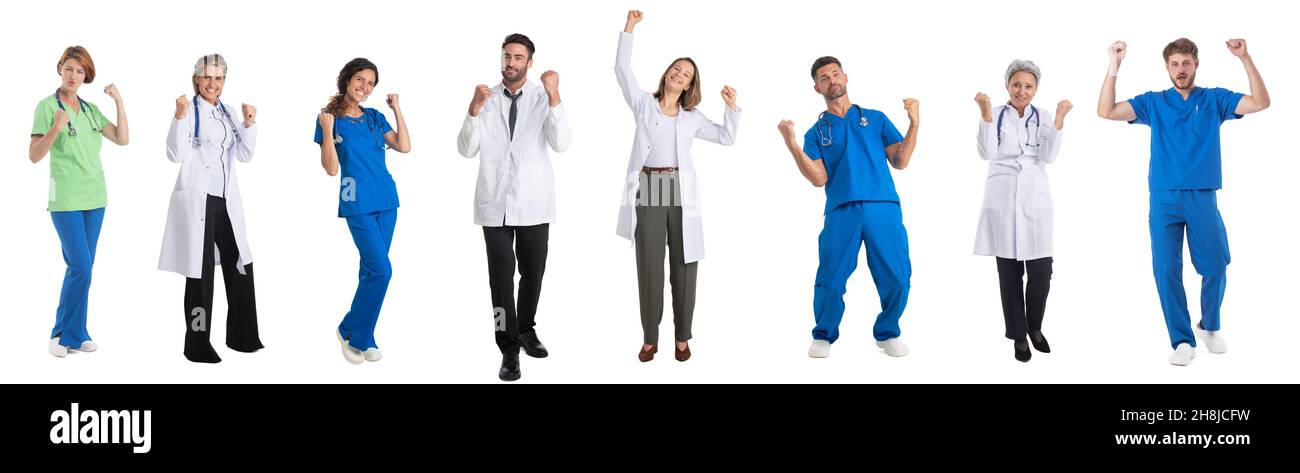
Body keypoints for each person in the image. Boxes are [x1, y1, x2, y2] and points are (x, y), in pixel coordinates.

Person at [1096, 38, 1269, 366]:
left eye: (1185, 63)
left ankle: (1209, 325)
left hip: (1202, 194)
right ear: (1167, 67)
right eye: (1174, 64)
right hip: (1163, 196)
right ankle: (1181, 340)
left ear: (1196, 64)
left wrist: (1245, 57)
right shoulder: (1154, 102)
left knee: (1216, 264)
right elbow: (1106, 111)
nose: (1180, 70)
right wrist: (1114, 66)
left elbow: (1261, 102)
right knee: (1166, 269)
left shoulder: (1215, 99)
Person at [615, 10, 740, 363]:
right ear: (667, 74)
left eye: (685, 74)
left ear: (688, 85)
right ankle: (650, 336)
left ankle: (683, 336)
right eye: (676, 68)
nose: (678, 74)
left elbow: (727, 137)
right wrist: (629, 28)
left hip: (681, 190)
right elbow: (622, 71)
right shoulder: (643, 104)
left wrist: (731, 108)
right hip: (650, 187)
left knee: (685, 265)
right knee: (649, 264)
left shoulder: (692, 118)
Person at [776, 56, 918, 359]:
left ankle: (888, 331)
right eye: (824, 78)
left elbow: (901, 160)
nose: (832, 80)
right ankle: (824, 334)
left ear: (846, 77)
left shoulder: (875, 118)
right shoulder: (817, 132)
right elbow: (818, 178)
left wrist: (914, 123)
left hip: (883, 205)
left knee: (897, 274)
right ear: (817, 87)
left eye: (835, 74)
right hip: (842, 209)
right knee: (831, 275)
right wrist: (792, 145)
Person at [457, 33, 571, 382]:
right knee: (500, 279)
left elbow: (562, 142)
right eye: (507, 56)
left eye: (518, 57)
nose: (511, 63)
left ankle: (526, 328)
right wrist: (473, 109)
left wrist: (554, 95)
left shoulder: (542, 97)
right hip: (495, 205)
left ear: (529, 62)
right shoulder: (485, 98)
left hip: (534, 203)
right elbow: (465, 149)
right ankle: (507, 346)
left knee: (533, 274)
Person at [160, 53, 264, 363]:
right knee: (200, 274)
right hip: (199, 199)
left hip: (226, 200)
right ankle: (197, 344)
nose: (212, 83)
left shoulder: (230, 113)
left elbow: (244, 155)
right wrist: (178, 116)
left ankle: (243, 337)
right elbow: (174, 153)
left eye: (218, 78)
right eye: (207, 77)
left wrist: (249, 124)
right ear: (196, 79)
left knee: (241, 265)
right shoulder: (188, 111)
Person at [29, 45, 129, 358]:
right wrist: (56, 128)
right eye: (69, 68)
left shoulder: (90, 110)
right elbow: (33, 156)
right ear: (60, 67)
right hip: (66, 199)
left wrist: (119, 102)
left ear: (86, 76)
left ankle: (77, 332)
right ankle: (61, 335)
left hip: (95, 197)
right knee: (80, 266)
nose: (73, 76)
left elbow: (122, 139)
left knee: (85, 269)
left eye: (80, 71)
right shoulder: (46, 107)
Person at [973, 60, 1072, 362]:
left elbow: (1049, 156)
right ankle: (1018, 335)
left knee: (1041, 272)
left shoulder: (1042, 117)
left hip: (1035, 196)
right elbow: (987, 153)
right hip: (1002, 197)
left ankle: (1035, 326)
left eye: (1028, 85)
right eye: (1016, 84)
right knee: (1009, 274)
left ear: (1035, 89)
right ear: (1008, 86)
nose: (1022, 90)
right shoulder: (996, 116)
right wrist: (986, 116)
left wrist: (1058, 120)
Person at [315, 58, 412, 364]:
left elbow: (404, 146)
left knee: (372, 270)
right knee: (382, 270)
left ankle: (357, 332)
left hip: (386, 200)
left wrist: (397, 108)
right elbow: (331, 169)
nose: (365, 87)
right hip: (355, 200)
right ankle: (355, 333)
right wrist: (328, 131)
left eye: (370, 83)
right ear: (346, 79)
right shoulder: (329, 118)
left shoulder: (374, 116)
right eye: (360, 79)